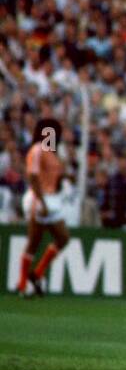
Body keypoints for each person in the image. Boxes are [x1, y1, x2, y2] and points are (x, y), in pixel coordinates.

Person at [16, 118, 70, 297]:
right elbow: (33, 176)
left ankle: (36, 273)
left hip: (52, 199)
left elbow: (54, 176)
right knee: (34, 241)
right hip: (40, 198)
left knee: (63, 238)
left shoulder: (52, 151)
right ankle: (23, 284)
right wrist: (41, 201)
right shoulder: (37, 149)